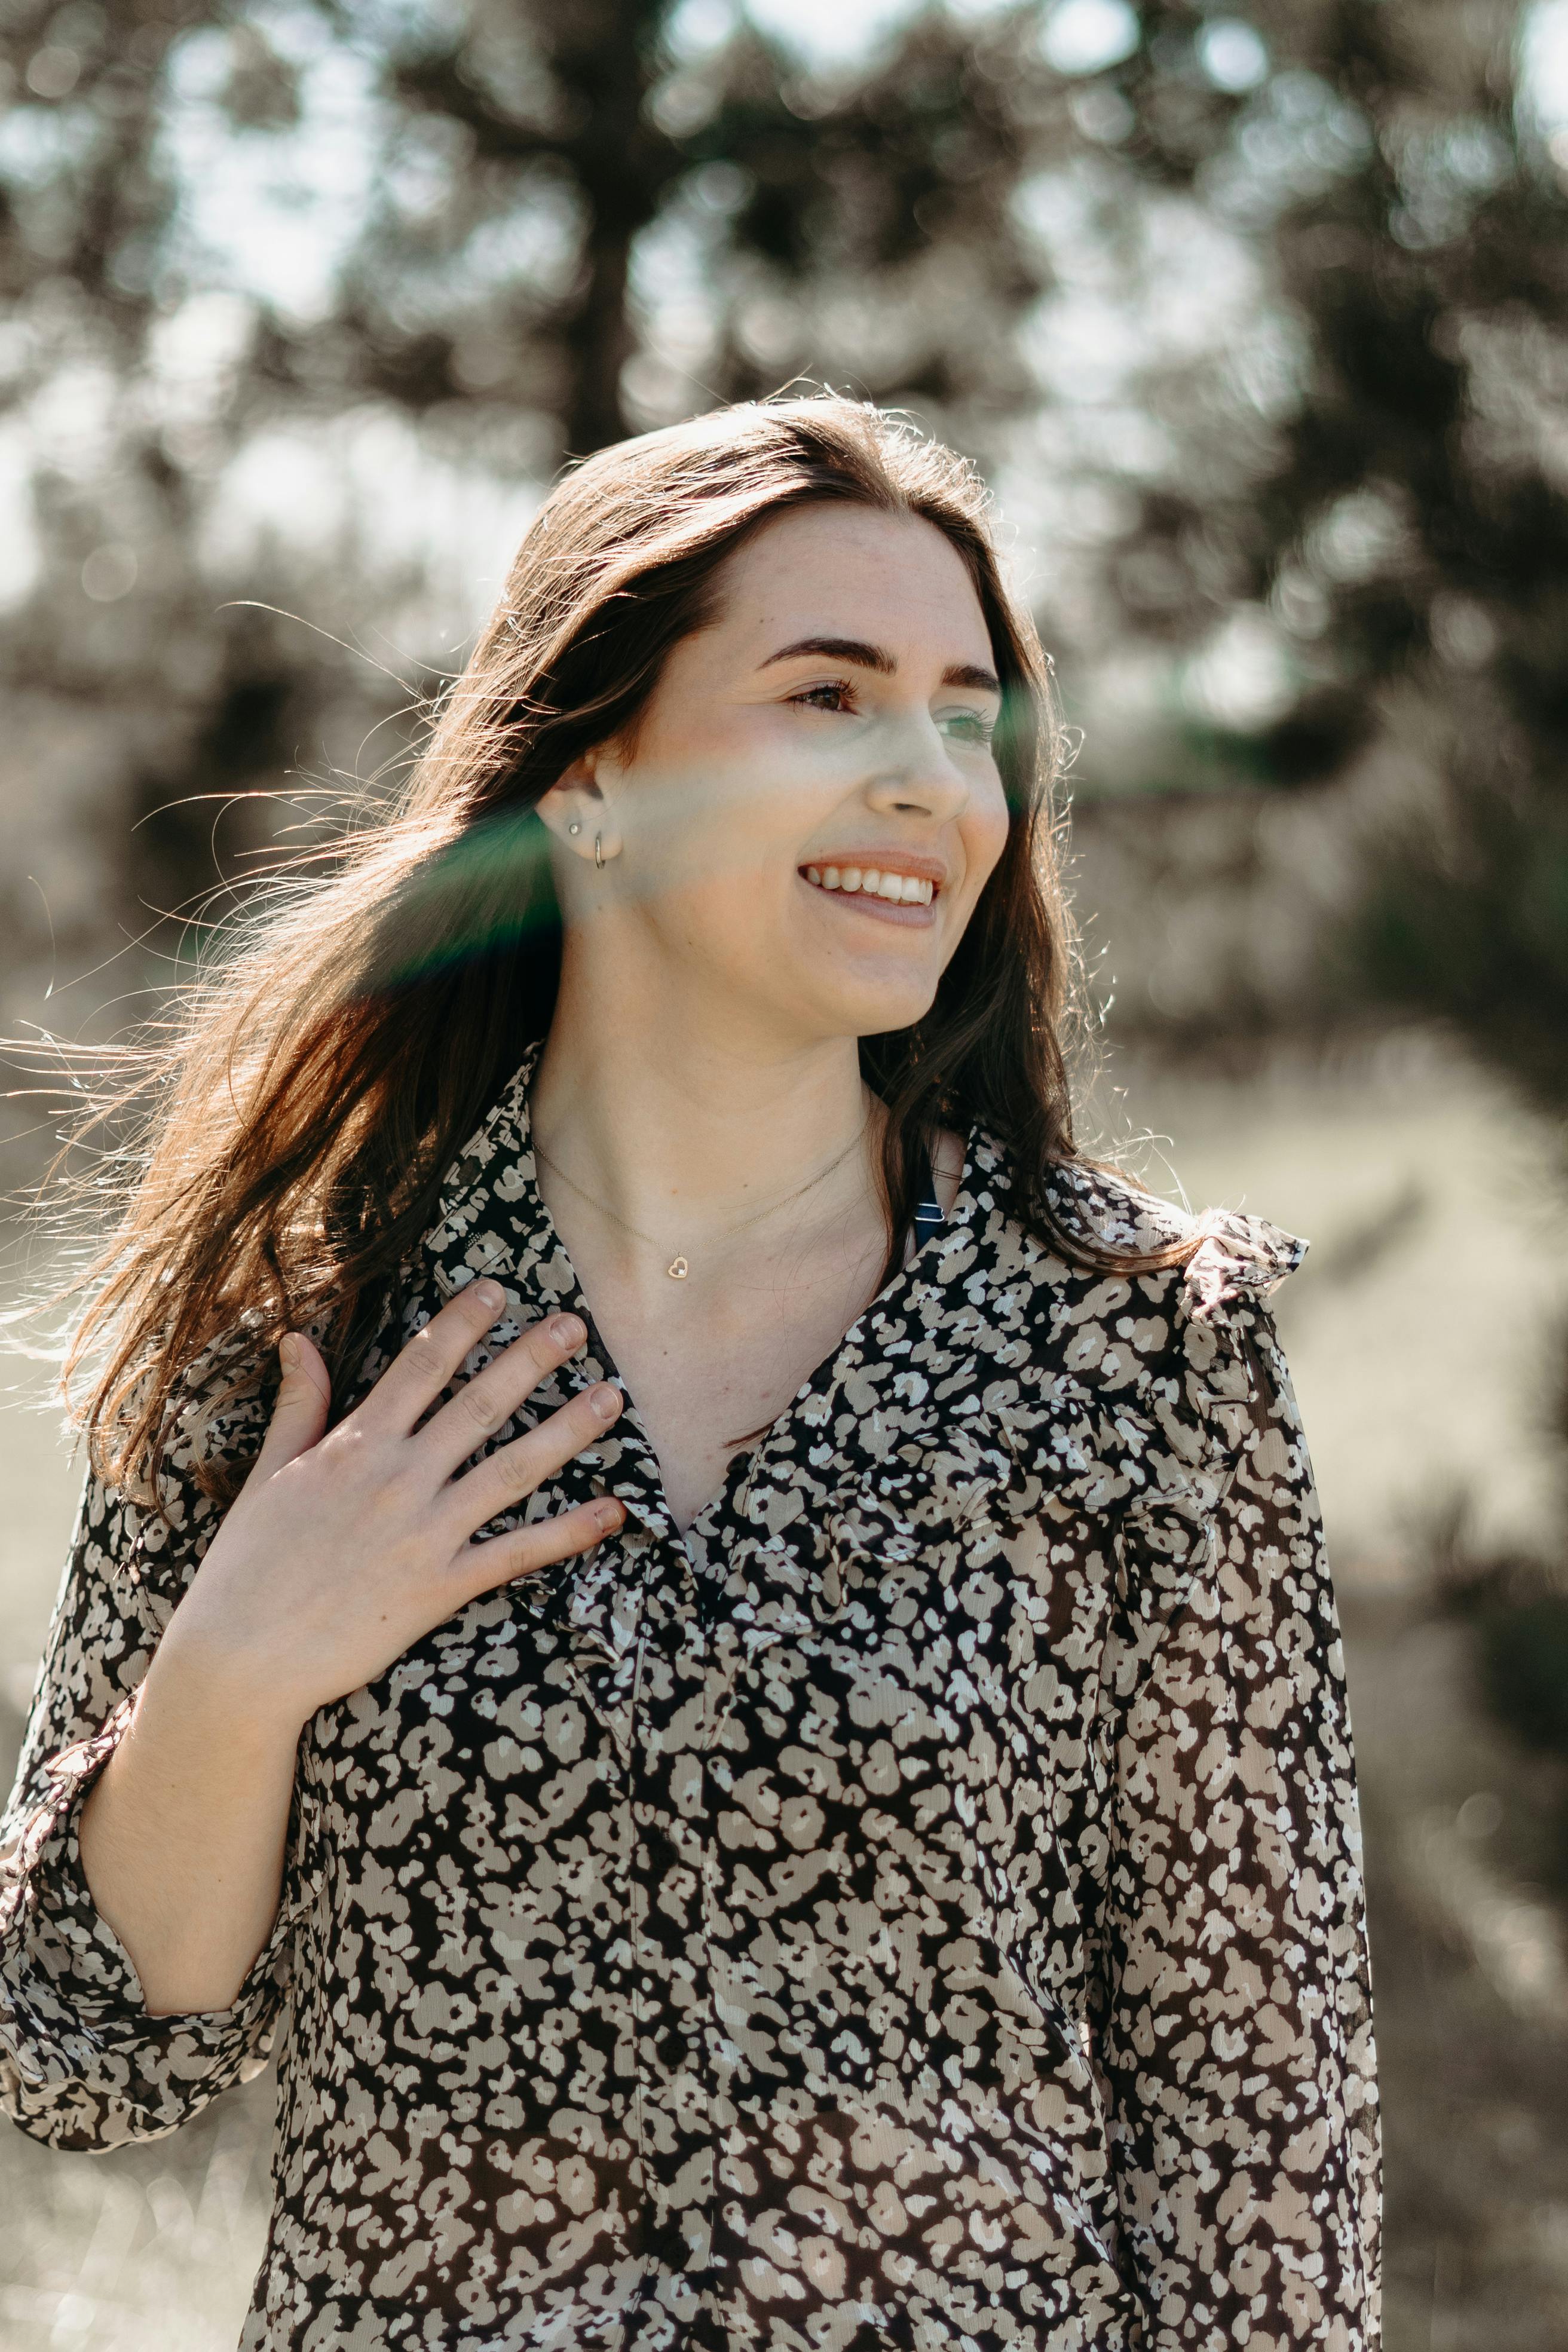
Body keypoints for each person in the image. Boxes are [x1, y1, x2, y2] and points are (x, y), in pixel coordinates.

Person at [0, 397, 1379, 2352]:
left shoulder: (1140, 1352)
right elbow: (80, 2062)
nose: (932, 780)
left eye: (966, 713)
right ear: (589, 782)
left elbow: (1261, 2142)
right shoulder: (298, 1347)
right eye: (828, 697)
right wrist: (235, 1672)